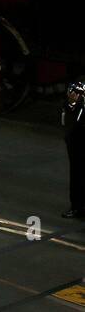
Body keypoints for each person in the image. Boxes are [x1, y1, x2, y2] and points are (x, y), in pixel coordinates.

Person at [61, 81, 85, 218]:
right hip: (77, 143)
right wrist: (74, 103)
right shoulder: (70, 106)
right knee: (76, 174)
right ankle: (76, 206)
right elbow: (71, 121)